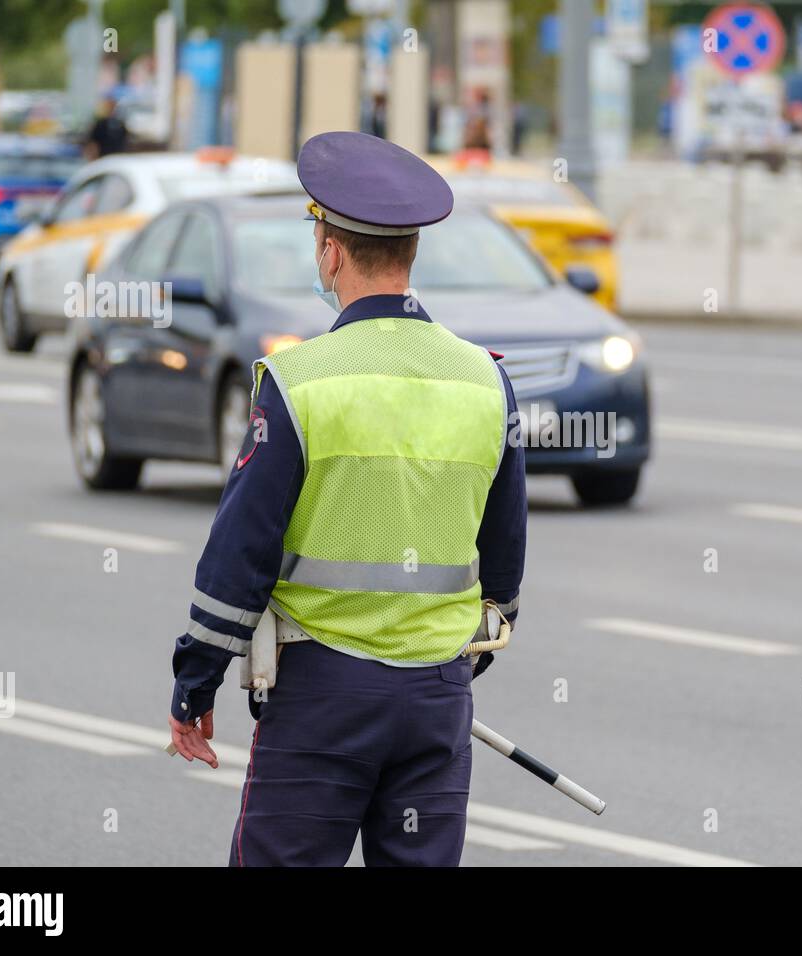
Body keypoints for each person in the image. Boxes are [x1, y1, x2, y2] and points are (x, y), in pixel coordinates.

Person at [167, 131, 528, 867]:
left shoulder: (300, 383)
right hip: (436, 699)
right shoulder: (485, 382)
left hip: (321, 698)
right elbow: (505, 559)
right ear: (410, 255)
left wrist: (194, 681)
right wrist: (455, 665)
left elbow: (241, 554)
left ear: (330, 252)